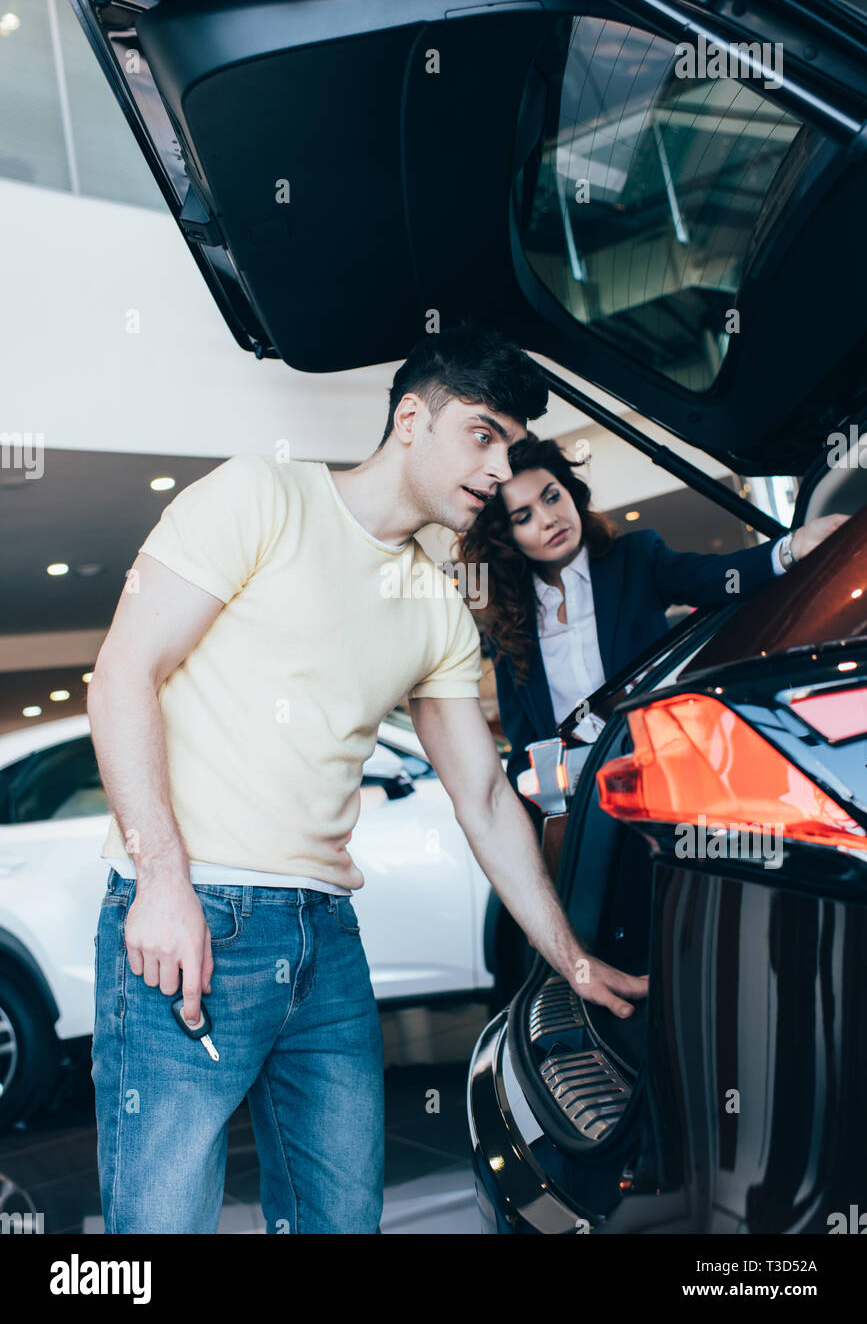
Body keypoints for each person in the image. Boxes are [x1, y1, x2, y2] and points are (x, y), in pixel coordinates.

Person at [86, 322, 649, 1236]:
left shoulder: (435, 608)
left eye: (511, 447)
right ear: (410, 420)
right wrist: (158, 881)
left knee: (340, 1224)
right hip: (190, 915)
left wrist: (570, 957)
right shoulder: (261, 497)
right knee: (157, 1233)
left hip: (325, 939)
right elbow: (122, 675)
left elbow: (483, 799)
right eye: (481, 434)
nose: (499, 469)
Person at [454, 433, 848, 801]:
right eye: (523, 517)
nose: (548, 518)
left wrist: (791, 549)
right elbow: (525, 747)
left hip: (664, 772)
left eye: (552, 497)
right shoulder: (508, 623)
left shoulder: (634, 559)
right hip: (580, 805)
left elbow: (715, 578)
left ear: (570, 494)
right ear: (507, 537)